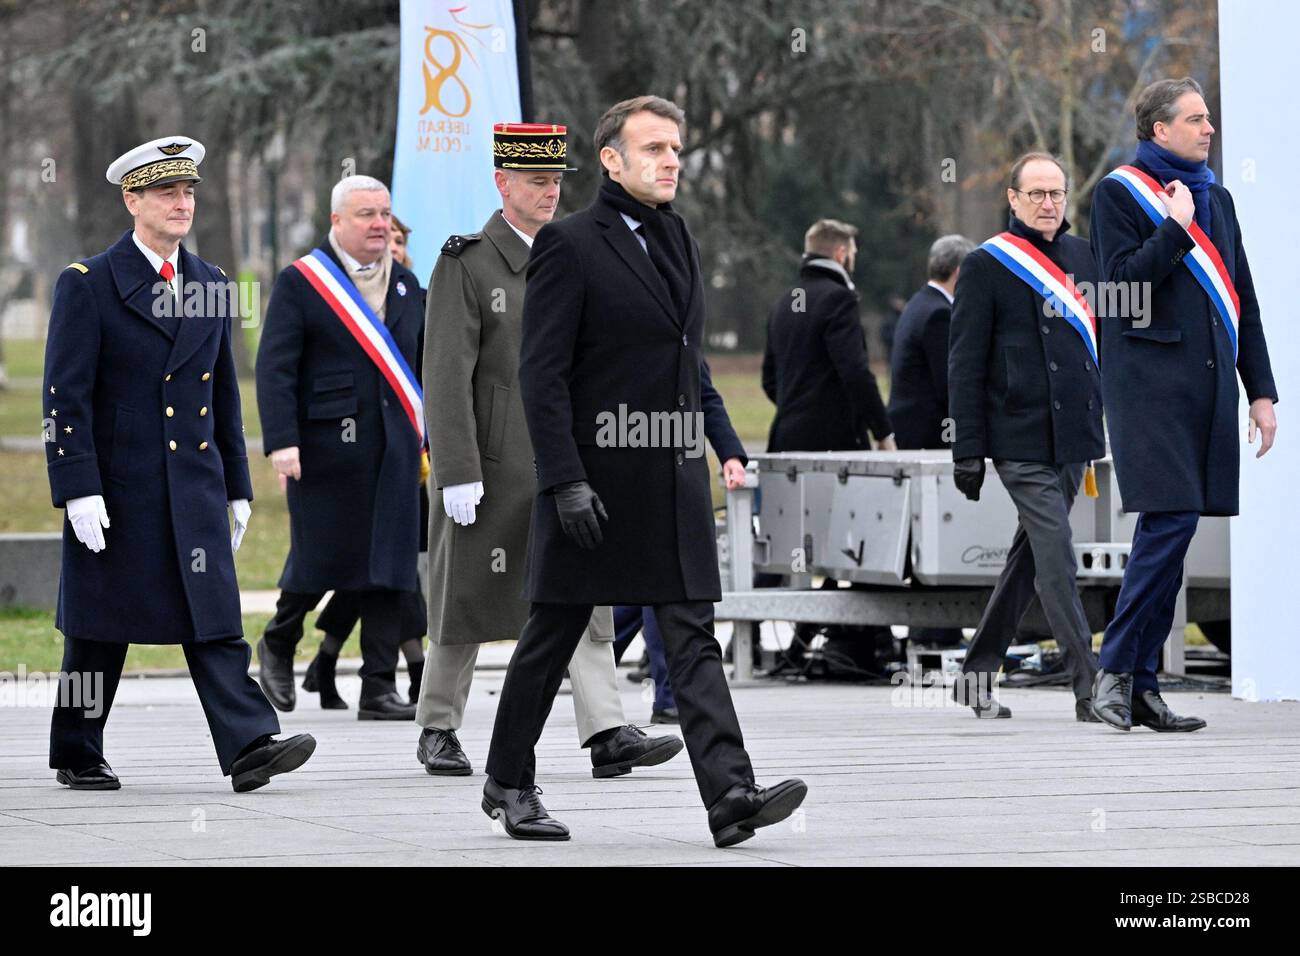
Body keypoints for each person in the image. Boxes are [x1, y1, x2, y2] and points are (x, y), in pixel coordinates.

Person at [481, 95, 807, 847]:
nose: (670, 162)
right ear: (612, 160)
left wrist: (725, 443)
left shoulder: (681, 238)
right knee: (551, 636)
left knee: (692, 636)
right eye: (654, 148)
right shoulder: (569, 244)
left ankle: (730, 795)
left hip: (672, 484)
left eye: (676, 149)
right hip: (593, 487)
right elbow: (543, 374)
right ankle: (508, 781)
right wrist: (563, 479)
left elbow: (687, 366)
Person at [43, 136, 314, 792]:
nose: (181, 203)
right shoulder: (90, 285)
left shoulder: (211, 284)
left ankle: (251, 742)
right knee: (100, 631)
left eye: (188, 191)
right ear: (132, 200)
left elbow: (222, 394)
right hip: (119, 488)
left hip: (193, 486)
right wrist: (77, 487)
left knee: (215, 618)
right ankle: (78, 750)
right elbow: (64, 395)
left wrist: (238, 487)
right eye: (166, 192)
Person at [417, 122, 683, 779]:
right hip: (490, 465)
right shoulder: (467, 261)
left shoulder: (577, 251)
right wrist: (454, 468)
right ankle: (438, 725)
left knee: (584, 597)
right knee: (467, 599)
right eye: (536, 181)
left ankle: (607, 729)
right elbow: (446, 373)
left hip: (566, 460)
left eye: (557, 180)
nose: (549, 191)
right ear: (502, 183)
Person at [1089, 77, 1277, 732]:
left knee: (1175, 529)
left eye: (1208, 118)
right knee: (1169, 520)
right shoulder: (1118, 194)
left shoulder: (1217, 199)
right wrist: (1172, 231)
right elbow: (1116, 293)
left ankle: (1138, 686)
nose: (1209, 128)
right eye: (1195, 119)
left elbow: (1243, 302)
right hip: (1146, 388)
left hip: (1206, 390)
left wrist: (1262, 392)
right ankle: (1113, 669)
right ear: (1158, 129)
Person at [254, 174, 425, 721]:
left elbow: (423, 367)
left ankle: (378, 685)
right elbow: (275, 368)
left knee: (389, 567)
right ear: (337, 221)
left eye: (384, 214)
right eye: (366, 215)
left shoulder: (407, 286)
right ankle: (278, 645)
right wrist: (282, 441)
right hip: (327, 447)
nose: (379, 225)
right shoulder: (303, 281)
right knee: (317, 557)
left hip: (396, 451)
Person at [947, 151, 1102, 721]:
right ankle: (1090, 688)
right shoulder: (986, 264)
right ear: (1012, 199)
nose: (1047, 204)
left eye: (1056, 194)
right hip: (1017, 436)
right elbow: (964, 364)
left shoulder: (1084, 254)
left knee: (1029, 560)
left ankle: (975, 676)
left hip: (1070, 437)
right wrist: (966, 450)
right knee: (1058, 556)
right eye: (1035, 194)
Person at [300, 210, 429, 711]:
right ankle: (406, 674)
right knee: (369, 568)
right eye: (385, 238)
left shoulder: (412, 295)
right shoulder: (343, 297)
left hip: (410, 453)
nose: (391, 247)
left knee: (391, 570)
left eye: (398, 239)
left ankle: (334, 663)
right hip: (352, 454)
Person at [762, 218, 896, 453]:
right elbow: (855, 373)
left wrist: (799, 410)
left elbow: (769, 380)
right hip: (834, 443)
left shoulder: (783, 302)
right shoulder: (839, 299)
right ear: (841, 253)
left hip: (785, 438)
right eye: (853, 252)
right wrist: (882, 431)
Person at [888, 234, 973, 451]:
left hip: (910, 427)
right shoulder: (939, 314)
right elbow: (949, 382)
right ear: (960, 271)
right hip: (929, 433)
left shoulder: (919, 303)